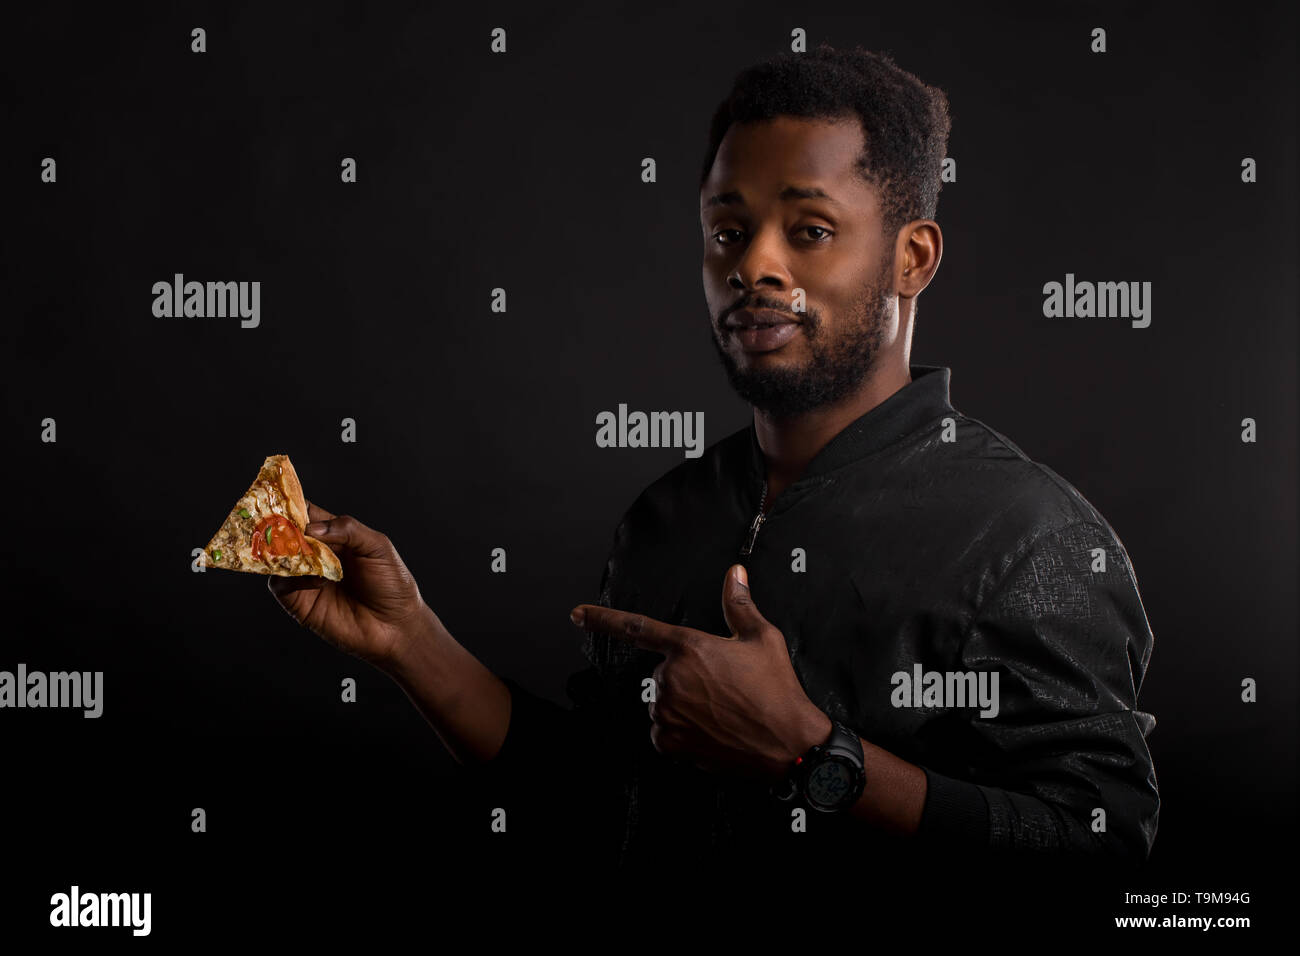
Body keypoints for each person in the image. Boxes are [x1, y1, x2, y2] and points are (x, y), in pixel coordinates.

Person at [268, 45, 1159, 879]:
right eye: (727, 231)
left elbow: (1106, 851)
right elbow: (598, 794)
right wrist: (407, 639)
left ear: (910, 258)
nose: (754, 266)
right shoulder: (666, 516)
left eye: (810, 231)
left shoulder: (1029, 541)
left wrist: (815, 755)